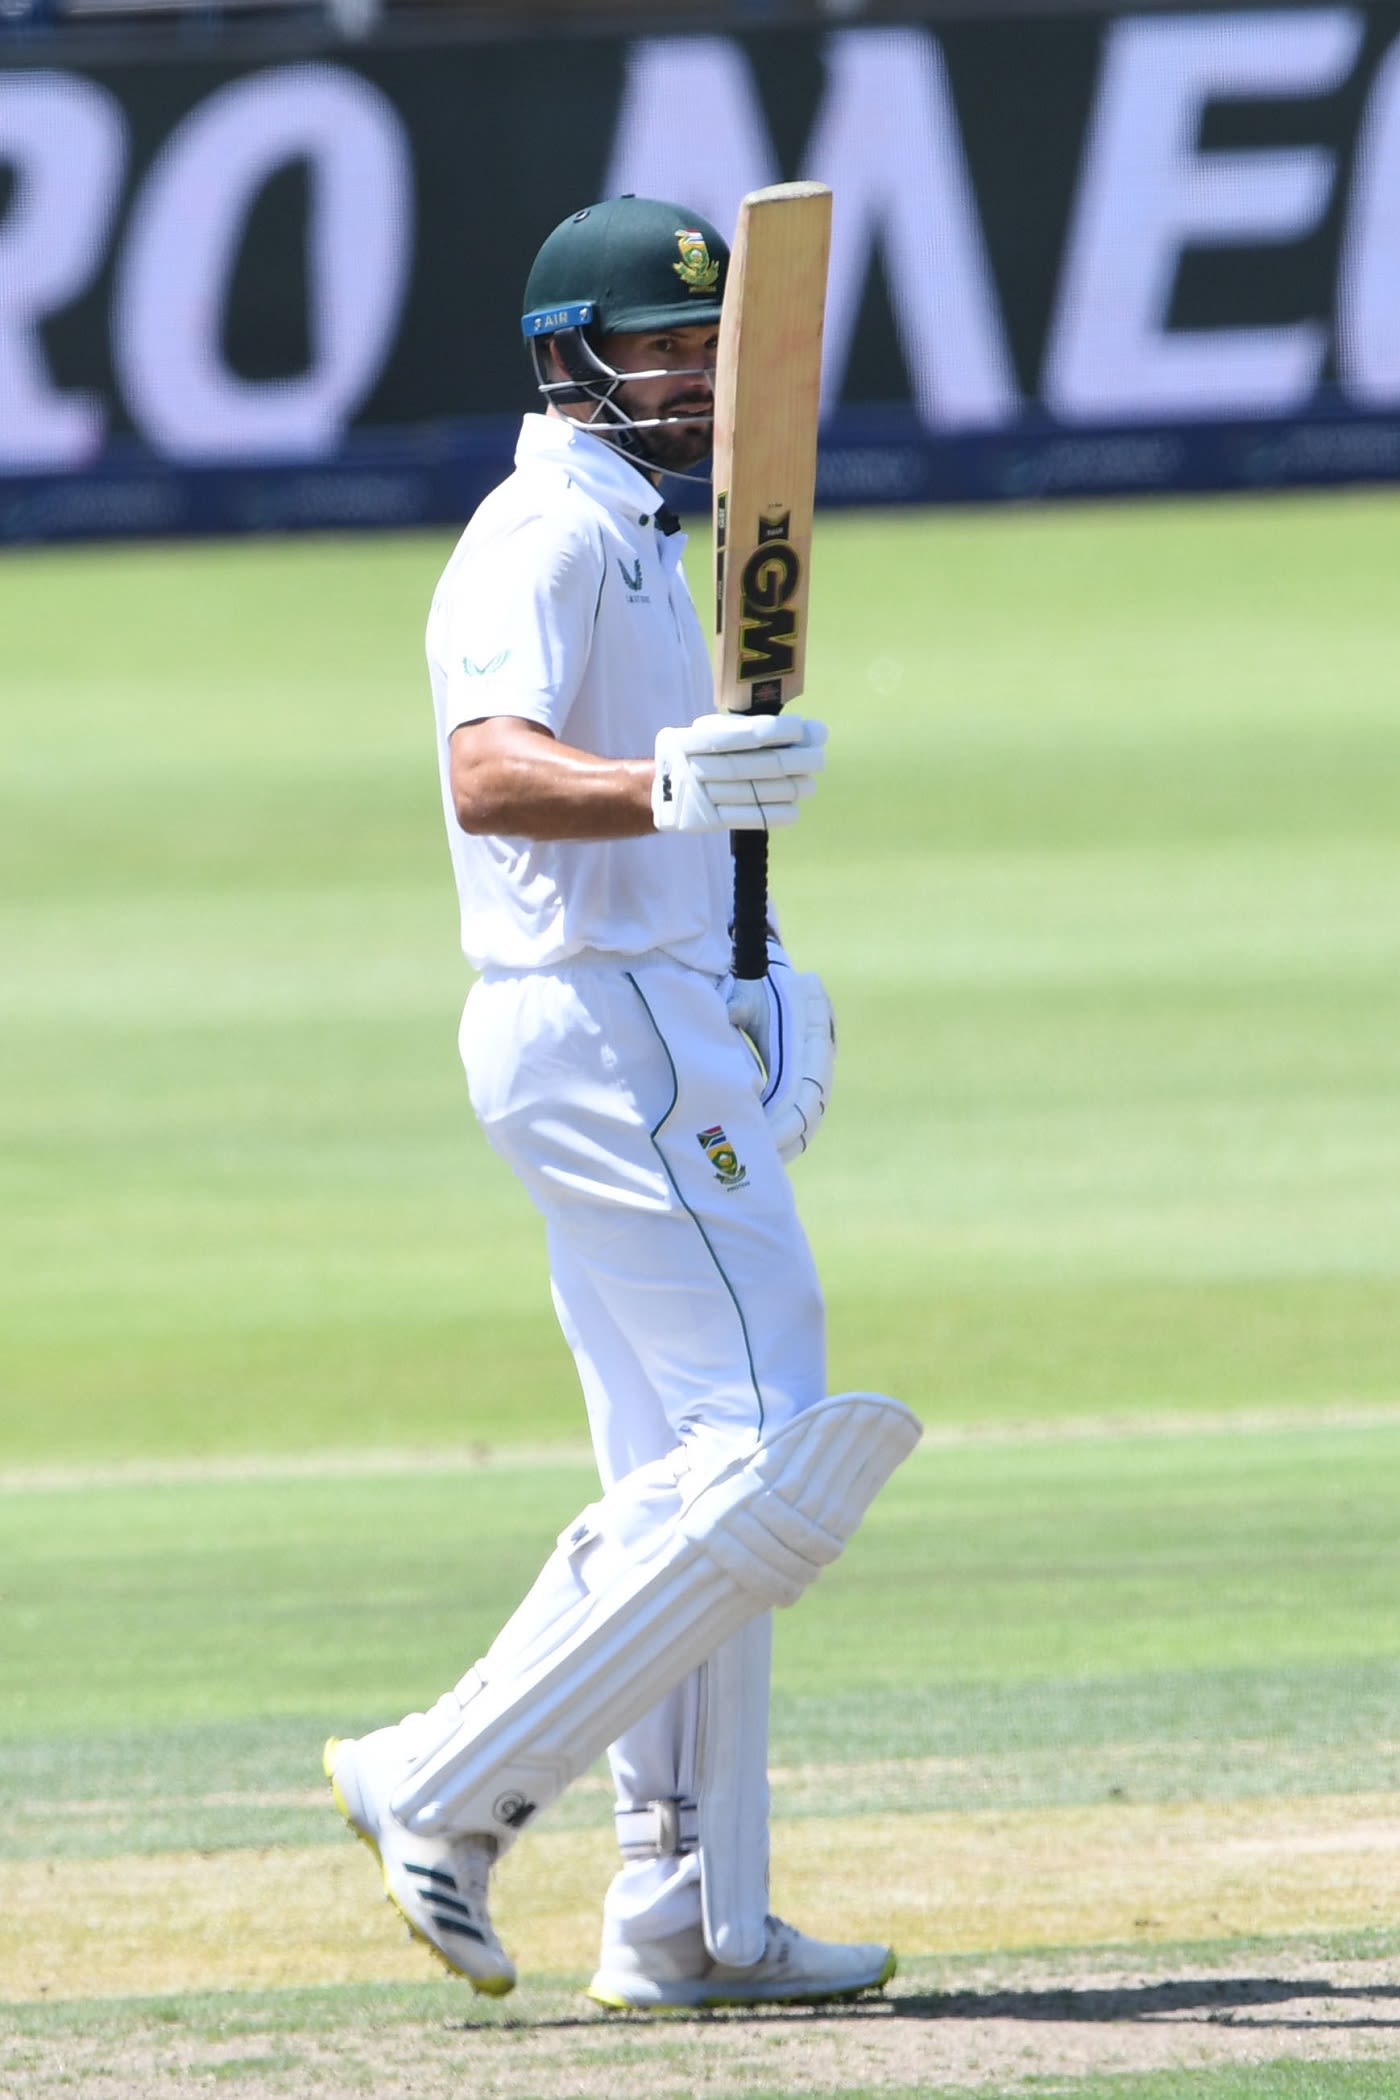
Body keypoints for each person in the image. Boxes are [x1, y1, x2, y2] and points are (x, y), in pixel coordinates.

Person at [323, 195, 920, 2014]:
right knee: (767, 1450)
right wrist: (672, 789)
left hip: (648, 1014)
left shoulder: (646, 537)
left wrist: (757, 967)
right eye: (660, 346)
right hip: (593, 1033)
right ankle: (441, 1777)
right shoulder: (533, 533)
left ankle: (687, 1911)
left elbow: (671, 819)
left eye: (708, 346)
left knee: (688, 1478)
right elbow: (492, 774)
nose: (692, 376)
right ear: (566, 361)